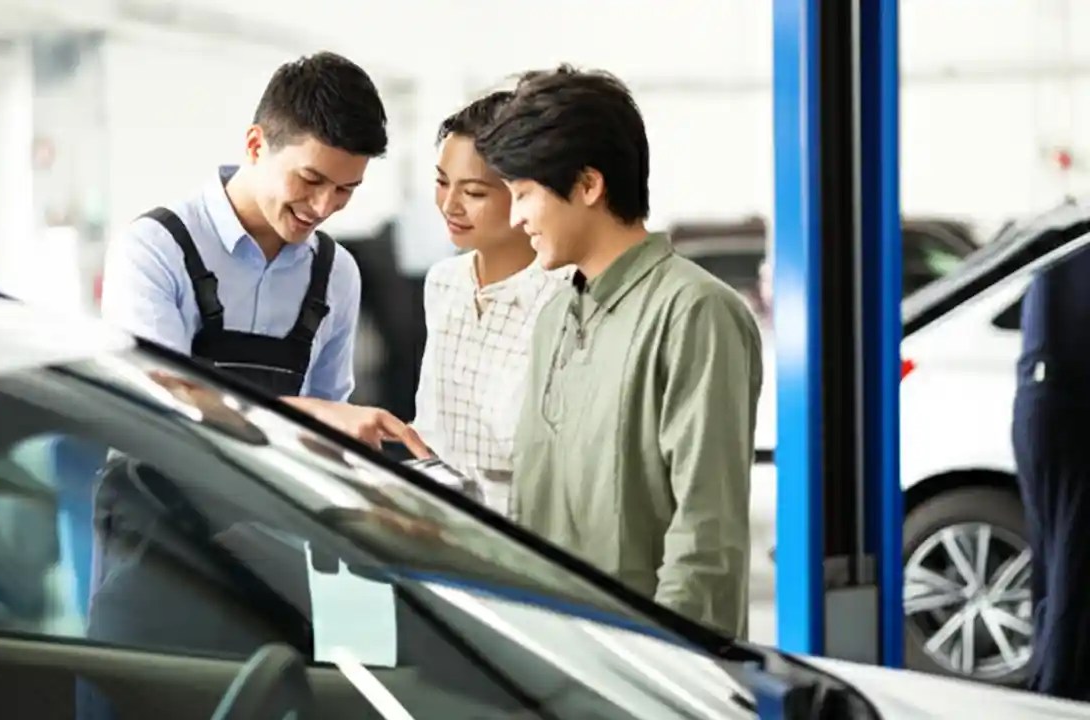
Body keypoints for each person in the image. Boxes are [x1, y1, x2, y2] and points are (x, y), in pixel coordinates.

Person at [473, 65, 763, 638]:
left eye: (525, 193)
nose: (515, 217)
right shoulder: (555, 316)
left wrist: (665, 669)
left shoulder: (696, 313)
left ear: (587, 185)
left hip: (647, 673)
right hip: (558, 656)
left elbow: (706, 537)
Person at [100, 51, 426, 456]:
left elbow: (329, 423)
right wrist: (315, 414)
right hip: (152, 503)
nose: (324, 206)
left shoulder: (337, 273)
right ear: (256, 146)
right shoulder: (154, 250)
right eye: (311, 179)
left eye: (345, 189)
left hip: (270, 508)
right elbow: (161, 401)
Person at [410, 90, 570, 514]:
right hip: (440, 526)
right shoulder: (443, 284)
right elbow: (432, 433)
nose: (449, 205)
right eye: (442, 182)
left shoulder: (568, 298)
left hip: (530, 540)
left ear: (525, 193)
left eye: (475, 192)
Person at [1012, 243, 1090, 701]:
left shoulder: (1066, 243)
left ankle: (1047, 687)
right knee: (1074, 582)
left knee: (1058, 570)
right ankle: (1060, 692)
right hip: (1072, 412)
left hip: (1043, 407)